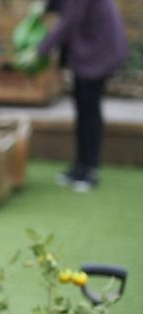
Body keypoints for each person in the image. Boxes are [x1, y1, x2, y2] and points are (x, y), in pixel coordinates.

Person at [31, 0, 128, 193]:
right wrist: (43, 7)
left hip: (100, 52)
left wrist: (40, 50)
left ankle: (90, 170)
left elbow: (70, 21)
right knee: (83, 108)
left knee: (89, 109)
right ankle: (80, 167)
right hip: (89, 52)